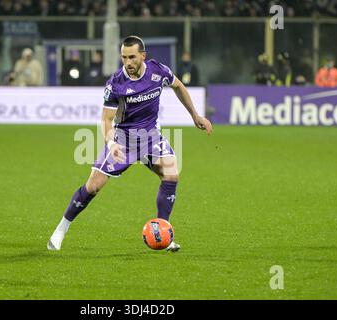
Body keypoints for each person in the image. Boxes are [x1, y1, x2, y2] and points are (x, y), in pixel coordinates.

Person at [47, 35, 213, 252]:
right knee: (93, 186)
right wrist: (111, 143)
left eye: (132, 57)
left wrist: (195, 116)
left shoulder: (158, 71)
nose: (128, 62)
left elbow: (178, 85)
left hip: (151, 136)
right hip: (123, 140)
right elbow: (106, 120)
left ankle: (163, 232)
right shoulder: (116, 83)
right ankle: (61, 229)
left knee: (171, 174)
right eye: (124, 57)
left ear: (143, 56)